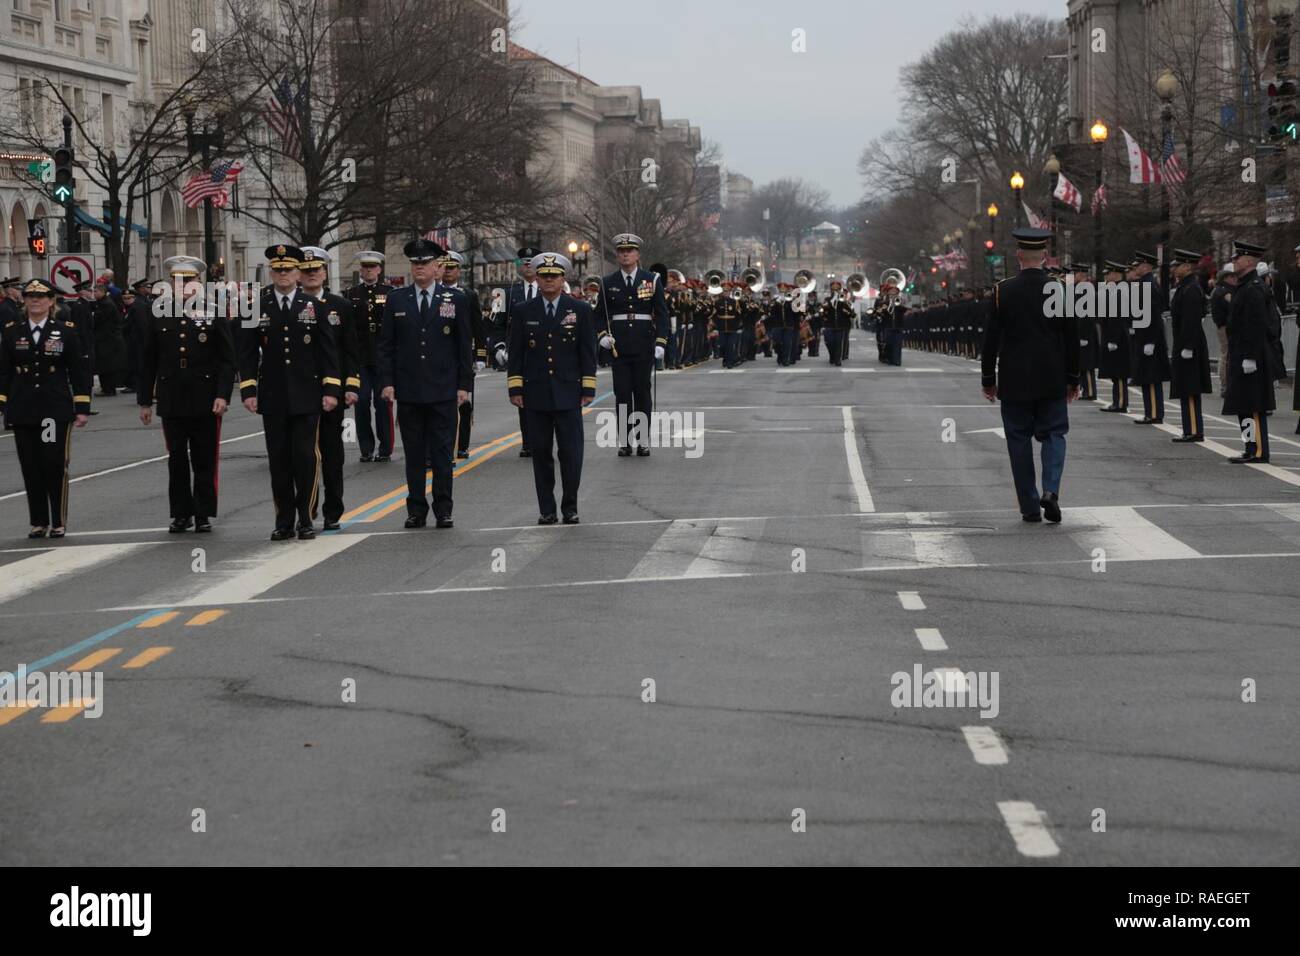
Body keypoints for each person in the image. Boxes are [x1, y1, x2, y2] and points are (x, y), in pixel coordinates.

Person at [237, 244, 341, 541]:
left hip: (307, 394)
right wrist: (248, 389)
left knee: (305, 458)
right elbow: (246, 352)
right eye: (278, 270)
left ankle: (306, 518)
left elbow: (327, 353)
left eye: (288, 270)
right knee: (279, 460)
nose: (283, 275)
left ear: (298, 273)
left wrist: (331, 389)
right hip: (273, 395)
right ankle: (283, 519)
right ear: (271, 272)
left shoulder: (315, 307)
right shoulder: (256, 306)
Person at [980, 228, 1080, 524]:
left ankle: (1029, 505)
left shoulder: (1002, 291)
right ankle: (1051, 489)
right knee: (1054, 434)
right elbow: (1071, 338)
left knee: (1018, 440)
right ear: (1045, 257)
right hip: (1051, 375)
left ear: (1018, 256)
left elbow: (991, 340)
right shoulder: (1060, 289)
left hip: (1014, 378)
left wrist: (988, 378)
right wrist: (1073, 378)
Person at [377, 238, 473, 529]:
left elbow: (463, 346)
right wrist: (387, 382)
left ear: (437, 267)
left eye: (425, 263)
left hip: (443, 388)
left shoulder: (454, 299)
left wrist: (463, 385)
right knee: (415, 454)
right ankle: (416, 509)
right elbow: (386, 346)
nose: (419, 268)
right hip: (409, 389)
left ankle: (443, 508)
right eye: (415, 263)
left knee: (443, 453)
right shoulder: (397, 299)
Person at [137, 256, 236, 532]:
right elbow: (148, 360)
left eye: (188, 281)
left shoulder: (213, 311)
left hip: (205, 396)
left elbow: (227, 359)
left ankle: (203, 513)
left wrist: (222, 395)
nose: (183, 286)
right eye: (177, 281)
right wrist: (145, 400)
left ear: (198, 283)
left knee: (205, 457)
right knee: (177, 458)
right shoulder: (158, 313)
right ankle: (181, 513)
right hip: (172, 396)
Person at [507, 253, 596, 524]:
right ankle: (547, 509)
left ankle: (570, 506)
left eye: (554, 276)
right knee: (541, 454)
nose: (548, 281)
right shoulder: (524, 310)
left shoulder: (579, 310)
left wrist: (588, 387)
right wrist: (515, 388)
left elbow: (587, 351)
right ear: (537, 277)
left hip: (569, 391)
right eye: (544, 276)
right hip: (536, 393)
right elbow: (516, 353)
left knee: (571, 453)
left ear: (563, 279)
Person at [0, 279, 91, 538]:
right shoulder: (12, 331)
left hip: (53, 410)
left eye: (41, 297)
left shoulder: (65, 331)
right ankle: (38, 521)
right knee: (30, 466)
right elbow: (4, 371)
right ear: (24, 301)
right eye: (29, 297)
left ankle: (58, 520)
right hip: (23, 409)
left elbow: (78, 371)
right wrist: (2, 402)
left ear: (51, 301)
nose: (35, 301)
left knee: (53, 463)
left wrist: (82, 406)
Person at [297, 245, 360, 531]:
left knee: (332, 453)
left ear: (325, 272)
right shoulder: (292, 305)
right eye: (307, 271)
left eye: (316, 270)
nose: (312, 275)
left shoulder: (341, 306)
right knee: (303, 454)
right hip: (301, 391)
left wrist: (351, 385)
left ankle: (333, 509)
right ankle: (306, 509)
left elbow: (350, 350)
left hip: (333, 390)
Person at [593, 234, 670, 456]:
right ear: (617, 256)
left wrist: (661, 342)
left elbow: (662, 315)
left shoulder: (651, 280)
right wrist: (602, 336)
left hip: (644, 343)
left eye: (630, 251)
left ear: (637, 254)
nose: (626, 254)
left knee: (643, 392)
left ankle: (643, 439)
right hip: (619, 346)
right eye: (621, 251)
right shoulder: (608, 282)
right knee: (623, 393)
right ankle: (625, 441)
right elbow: (598, 315)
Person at [1221, 240, 1278, 463]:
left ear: (1248, 261)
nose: (1234, 261)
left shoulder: (1254, 288)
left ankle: (1260, 450)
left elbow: (1257, 325)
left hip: (1250, 355)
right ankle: (1249, 446)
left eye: (1237, 258)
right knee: (1243, 404)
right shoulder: (1244, 285)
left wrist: (1251, 357)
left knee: (1254, 405)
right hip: (1241, 353)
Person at [344, 250, 395, 463]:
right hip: (361, 357)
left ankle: (385, 448)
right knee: (362, 401)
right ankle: (366, 448)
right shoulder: (351, 294)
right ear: (361, 270)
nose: (368, 271)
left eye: (372, 267)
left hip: (382, 357)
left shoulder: (390, 293)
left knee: (383, 403)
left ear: (379, 270)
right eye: (365, 267)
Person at [441, 250, 487, 460]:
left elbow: (478, 328)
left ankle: (462, 445)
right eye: (445, 267)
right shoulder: (434, 293)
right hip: (441, 355)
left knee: (464, 403)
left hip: (463, 355)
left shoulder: (468, 295)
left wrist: (480, 356)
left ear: (458, 270)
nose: (448, 271)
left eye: (452, 268)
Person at [1167, 249, 1212, 443]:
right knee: (1186, 387)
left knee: (1191, 388)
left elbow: (1191, 320)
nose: (1174, 269)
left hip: (1189, 345)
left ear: (1187, 266)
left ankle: (1194, 429)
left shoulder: (1191, 288)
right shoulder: (1185, 286)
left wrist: (1188, 346)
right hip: (1184, 343)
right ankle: (1189, 428)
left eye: (1177, 265)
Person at [500, 247, 541, 457]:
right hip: (520, 352)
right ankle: (527, 442)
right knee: (522, 398)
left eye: (531, 261)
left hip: (543, 352)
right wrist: (498, 346)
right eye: (523, 262)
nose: (527, 265)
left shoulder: (550, 288)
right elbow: (495, 324)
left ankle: (541, 440)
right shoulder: (506, 293)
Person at [1098, 260, 1131, 412]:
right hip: (1112, 336)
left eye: (1109, 273)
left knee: (1119, 372)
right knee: (1114, 372)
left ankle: (1121, 402)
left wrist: (1114, 339)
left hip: (1118, 338)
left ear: (1116, 274)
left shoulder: (1120, 291)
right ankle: (1116, 401)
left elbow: (1118, 319)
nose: (1107, 276)